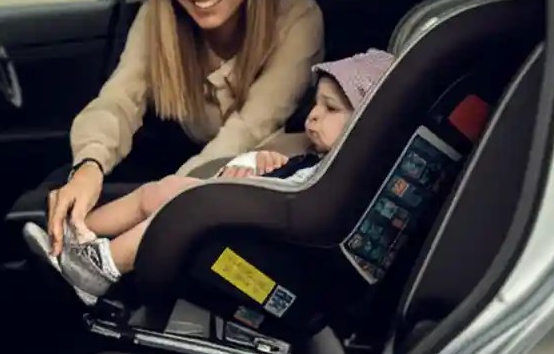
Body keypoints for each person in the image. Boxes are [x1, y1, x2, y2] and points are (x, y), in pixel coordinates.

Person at [44, 0, 324, 256]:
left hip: (266, 183)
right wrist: (88, 165)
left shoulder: (298, 18)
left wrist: (165, 203)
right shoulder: (158, 19)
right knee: (61, 190)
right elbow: (118, 101)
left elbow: (249, 128)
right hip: (194, 173)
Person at [26, 49, 395, 304]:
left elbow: (294, 209)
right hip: (246, 211)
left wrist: (248, 184)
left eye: (330, 108)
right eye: (316, 104)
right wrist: (256, 164)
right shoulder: (316, 160)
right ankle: (75, 237)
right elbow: (280, 181)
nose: (312, 116)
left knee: (180, 209)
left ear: (368, 125)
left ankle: (98, 269)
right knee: (163, 190)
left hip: (263, 246)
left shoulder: (345, 182)